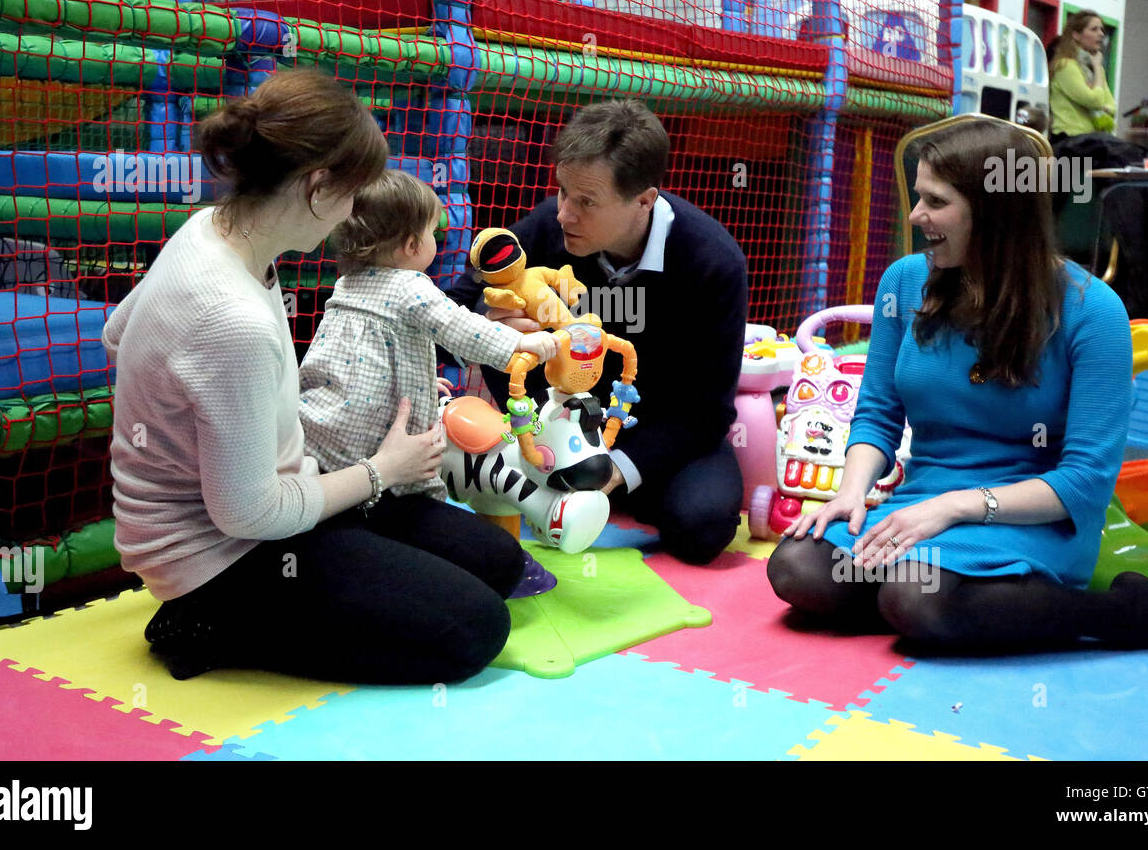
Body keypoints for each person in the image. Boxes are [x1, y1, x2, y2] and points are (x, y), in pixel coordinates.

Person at [103, 69, 525, 682]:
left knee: (495, 563)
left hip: (286, 499)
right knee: (477, 631)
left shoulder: (212, 230)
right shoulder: (232, 319)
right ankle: (208, 627)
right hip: (222, 558)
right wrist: (385, 470)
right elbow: (249, 516)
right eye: (353, 194)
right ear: (318, 185)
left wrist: (210, 415)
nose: (352, 215)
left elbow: (121, 330)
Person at [766, 117, 1148, 651]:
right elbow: (877, 412)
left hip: (1032, 516)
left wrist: (958, 506)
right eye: (919, 196)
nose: (916, 215)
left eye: (936, 202)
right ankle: (973, 602)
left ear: (995, 214)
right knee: (798, 568)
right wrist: (850, 496)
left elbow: (1085, 481)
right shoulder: (903, 281)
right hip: (923, 499)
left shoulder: (1092, 311)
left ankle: (1123, 613)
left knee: (916, 599)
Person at [447, 99, 749, 564]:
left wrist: (614, 472)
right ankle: (557, 481)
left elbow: (706, 414)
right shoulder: (548, 227)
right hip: (547, 423)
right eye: (564, 191)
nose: (565, 214)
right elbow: (453, 304)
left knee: (703, 526)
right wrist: (488, 324)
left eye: (586, 201)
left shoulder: (713, 264)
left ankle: (590, 490)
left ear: (644, 201)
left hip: (651, 430)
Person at [297, 169, 558, 498]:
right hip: (368, 447)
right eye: (432, 233)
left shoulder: (347, 283)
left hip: (318, 432)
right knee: (424, 488)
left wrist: (412, 380)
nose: (436, 240)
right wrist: (519, 341)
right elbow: (459, 327)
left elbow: (354, 360)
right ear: (410, 244)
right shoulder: (410, 287)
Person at [1048, 10, 1117, 138]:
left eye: (1101, 30)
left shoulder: (1097, 68)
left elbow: (1112, 107)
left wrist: (1097, 69)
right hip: (1071, 138)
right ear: (1076, 35)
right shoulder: (1065, 65)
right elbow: (1095, 100)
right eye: (1094, 29)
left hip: (1093, 137)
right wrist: (1097, 67)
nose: (1101, 34)